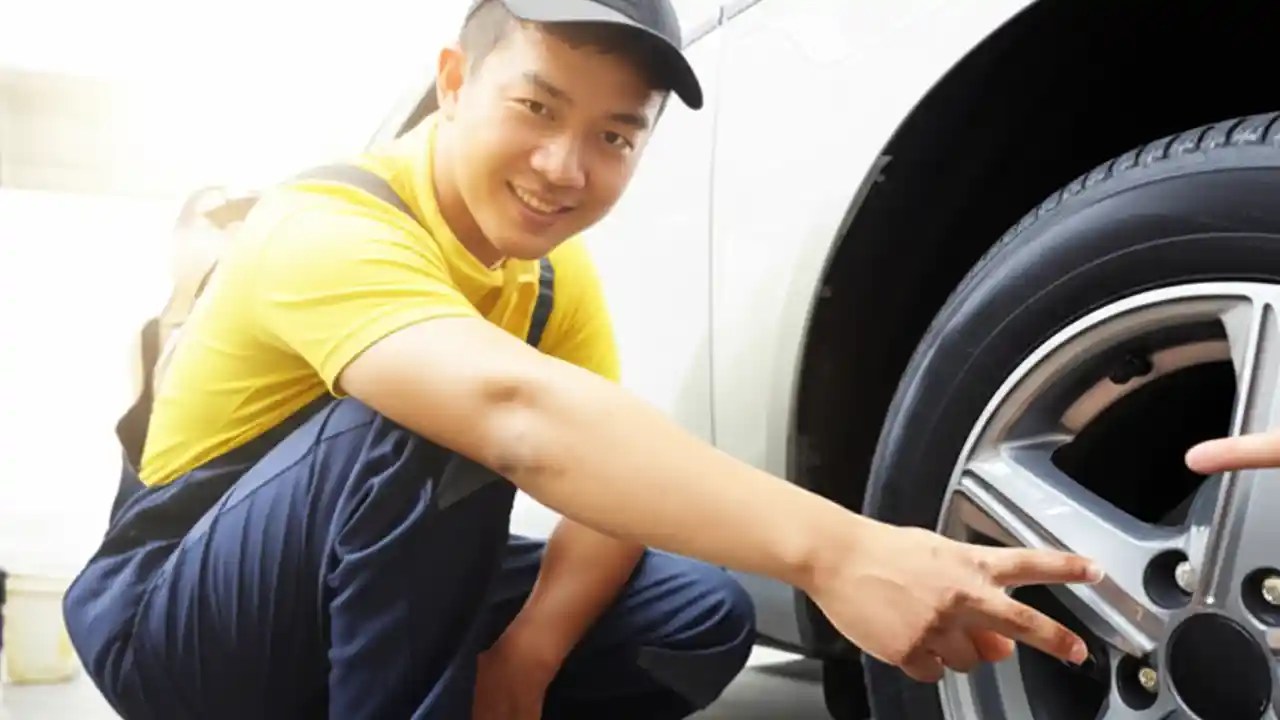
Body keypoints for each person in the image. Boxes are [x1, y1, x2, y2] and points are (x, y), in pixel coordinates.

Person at [63, 0, 1109, 718]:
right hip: (173, 626)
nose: (564, 169)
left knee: (698, 613)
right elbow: (513, 414)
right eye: (536, 108)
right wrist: (837, 551)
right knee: (435, 425)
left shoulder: (553, 280)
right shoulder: (325, 221)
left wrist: (525, 662)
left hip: (318, 602)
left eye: (615, 137)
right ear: (456, 80)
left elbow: (600, 491)